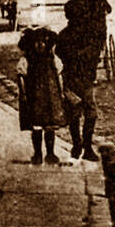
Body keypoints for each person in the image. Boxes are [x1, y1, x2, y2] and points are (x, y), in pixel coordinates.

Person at [56, 0, 112, 161]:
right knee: (88, 111)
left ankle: (79, 145)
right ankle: (83, 146)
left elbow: (59, 52)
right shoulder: (83, 30)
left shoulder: (67, 33)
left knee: (78, 111)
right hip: (82, 76)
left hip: (75, 76)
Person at [17, 25, 66, 164]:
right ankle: (38, 154)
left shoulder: (52, 59)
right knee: (36, 125)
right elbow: (21, 76)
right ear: (32, 44)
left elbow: (59, 76)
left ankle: (50, 153)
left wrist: (61, 93)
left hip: (50, 96)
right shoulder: (26, 59)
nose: (40, 45)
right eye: (37, 42)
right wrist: (23, 93)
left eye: (43, 42)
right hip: (34, 97)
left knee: (50, 126)